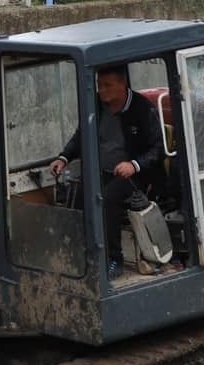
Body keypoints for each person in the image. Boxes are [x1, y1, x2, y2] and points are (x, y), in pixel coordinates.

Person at [49, 64, 167, 271]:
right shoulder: (95, 104)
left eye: (107, 85)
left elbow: (158, 149)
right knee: (76, 195)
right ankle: (79, 253)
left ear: (122, 84)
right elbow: (81, 134)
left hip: (135, 176)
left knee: (106, 200)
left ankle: (115, 258)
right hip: (100, 171)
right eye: (99, 85)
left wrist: (134, 165)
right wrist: (64, 157)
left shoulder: (142, 108)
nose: (101, 90)